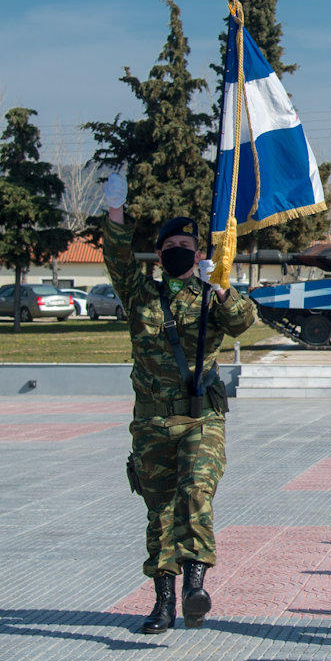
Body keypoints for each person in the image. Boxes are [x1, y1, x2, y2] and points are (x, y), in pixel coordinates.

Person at [101, 173, 259, 635]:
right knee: (160, 513)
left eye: (187, 244)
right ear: (160, 252)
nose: (179, 250)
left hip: (200, 418)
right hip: (151, 423)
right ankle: (163, 600)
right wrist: (115, 212)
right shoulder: (141, 294)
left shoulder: (211, 293)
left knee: (195, 492)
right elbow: (115, 258)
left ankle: (195, 584)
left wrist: (224, 289)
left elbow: (244, 322)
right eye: (170, 244)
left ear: (199, 253)